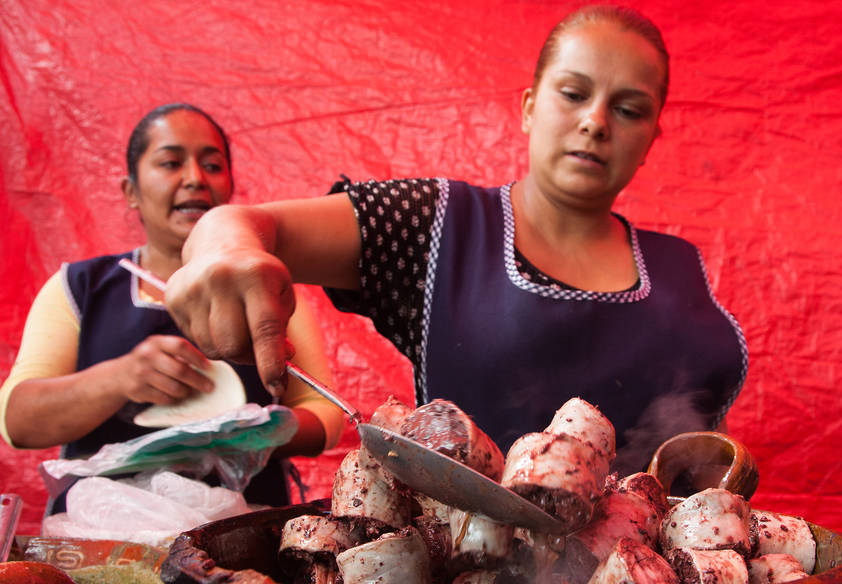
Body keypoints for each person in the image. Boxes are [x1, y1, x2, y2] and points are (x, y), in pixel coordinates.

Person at [165, 6, 747, 472]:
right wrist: (223, 247)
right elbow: (249, 224)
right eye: (573, 94)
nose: (596, 121)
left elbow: (697, 438)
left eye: (628, 109)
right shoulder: (439, 224)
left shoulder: (680, 267)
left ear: (652, 137)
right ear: (528, 106)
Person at [0, 103, 344, 509]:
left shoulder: (264, 283)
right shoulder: (78, 288)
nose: (195, 179)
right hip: (102, 544)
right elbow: (17, 421)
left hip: (240, 542)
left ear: (230, 187)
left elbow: (324, 412)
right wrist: (120, 378)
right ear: (131, 190)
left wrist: (255, 433)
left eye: (212, 166)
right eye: (170, 163)